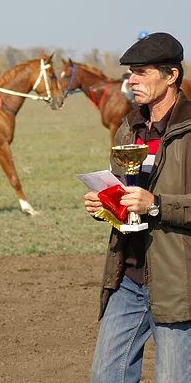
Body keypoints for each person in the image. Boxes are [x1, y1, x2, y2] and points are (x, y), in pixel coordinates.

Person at [83, 32, 190, 383]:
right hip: (126, 277)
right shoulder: (129, 127)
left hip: (177, 281)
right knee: (105, 376)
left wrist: (155, 205)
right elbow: (124, 190)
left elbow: (151, 202)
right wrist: (105, 203)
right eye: (131, 73)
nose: (131, 81)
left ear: (171, 75)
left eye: (141, 72)